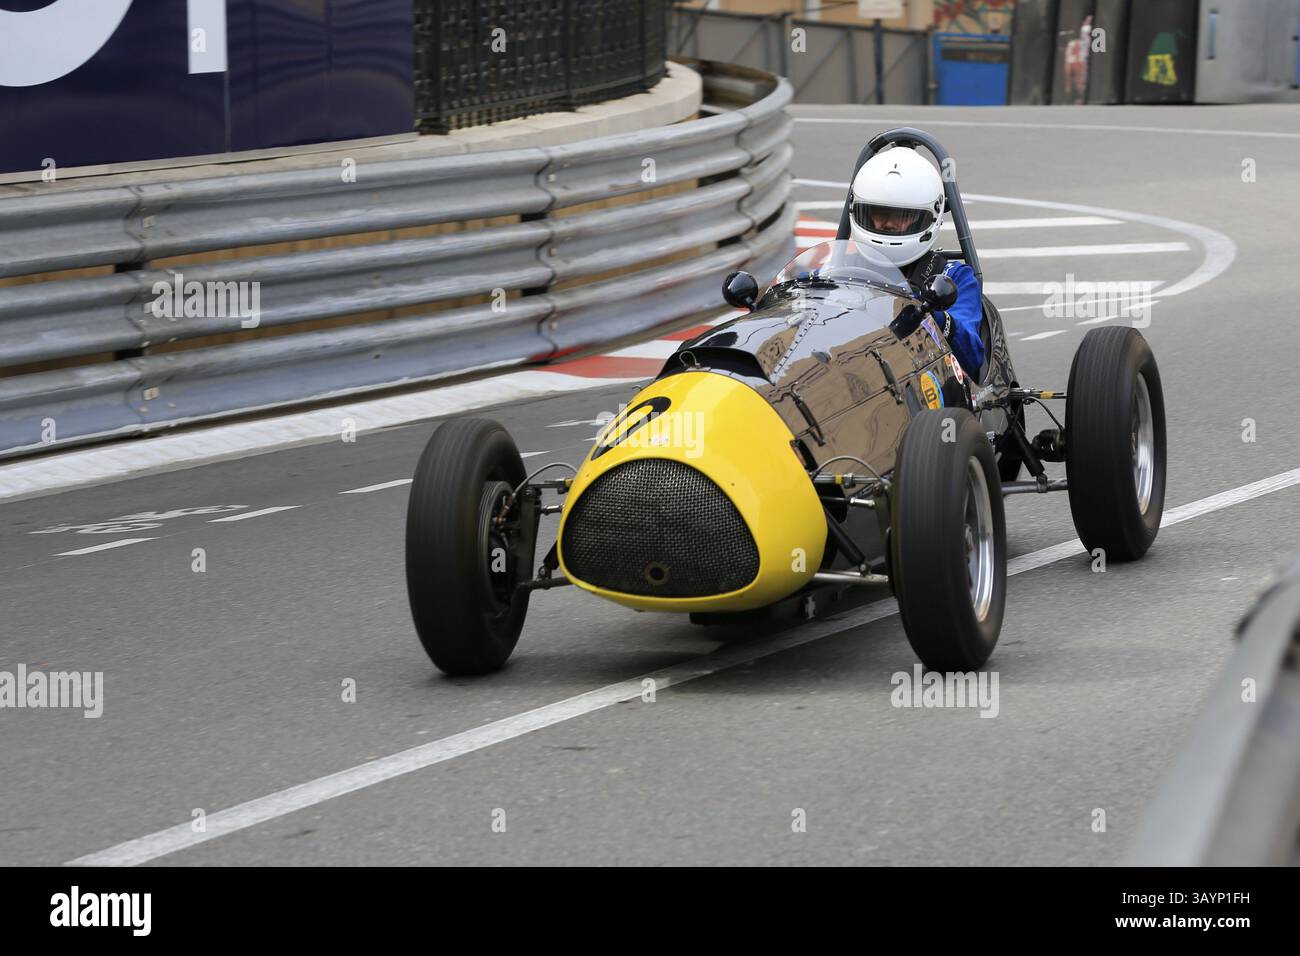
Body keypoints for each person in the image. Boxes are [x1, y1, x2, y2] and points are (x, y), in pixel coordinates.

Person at [847, 146, 985, 378]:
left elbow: (973, 358)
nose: (888, 224)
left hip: (926, 385)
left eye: (902, 216)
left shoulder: (955, 277)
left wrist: (935, 316)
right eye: (879, 213)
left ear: (928, 216)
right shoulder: (839, 269)